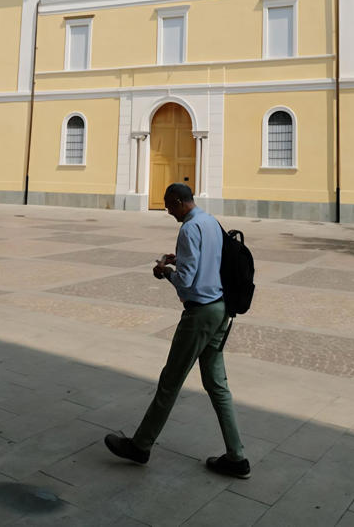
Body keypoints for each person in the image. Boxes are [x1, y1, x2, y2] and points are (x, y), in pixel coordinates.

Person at [104, 183, 250, 478]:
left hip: (200, 313)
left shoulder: (187, 229)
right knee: (217, 385)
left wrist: (165, 271)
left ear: (181, 201)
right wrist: (179, 259)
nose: (168, 211)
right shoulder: (210, 221)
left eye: (169, 205)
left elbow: (186, 281)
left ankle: (140, 445)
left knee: (170, 380)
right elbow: (209, 262)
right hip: (221, 308)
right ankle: (237, 457)